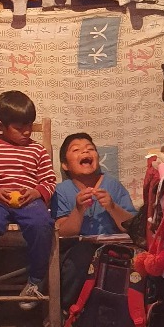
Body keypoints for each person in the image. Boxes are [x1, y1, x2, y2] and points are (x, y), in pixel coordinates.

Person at [0, 90, 57, 321]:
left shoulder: (37, 150)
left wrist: (36, 192)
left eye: (30, 125)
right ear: (1, 125)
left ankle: (35, 281)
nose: (26, 132)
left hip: (29, 201)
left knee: (42, 225)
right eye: (19, 128)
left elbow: (48, 180)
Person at [51, 132, 137, 309]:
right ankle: (70, 309)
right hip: (76, 252)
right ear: (65, 165)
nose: (85, 152)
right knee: (81, 256)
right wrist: (79, 209)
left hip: (113, 248)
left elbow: (131, 226)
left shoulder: (113, 185)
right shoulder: (62, 190)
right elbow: (63, 232)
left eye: (90, 149)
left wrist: (112, 207)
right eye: (76, 150)